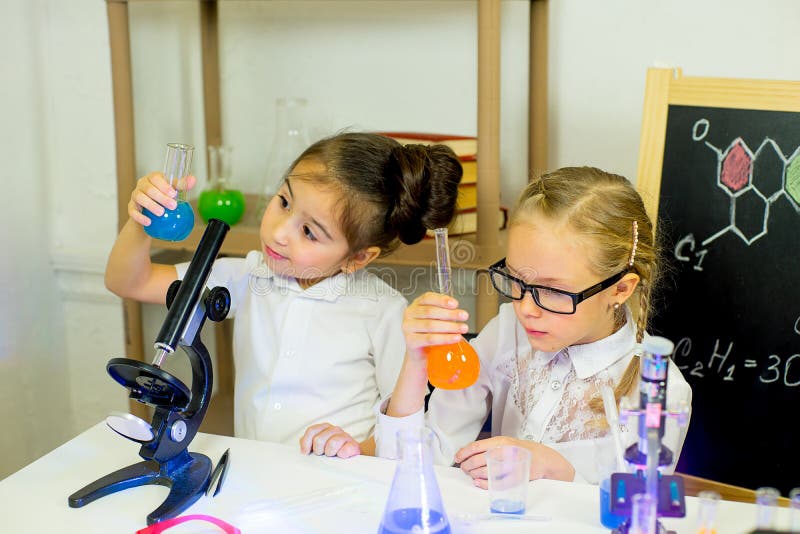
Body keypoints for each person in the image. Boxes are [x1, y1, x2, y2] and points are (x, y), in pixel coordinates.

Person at [105, 132, 463, 458]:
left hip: (340, 488)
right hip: (256, 479)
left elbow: (404, 434)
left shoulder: (383, 311)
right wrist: (141, 220)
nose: (278, 232)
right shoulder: (248, 275)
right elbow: (130, 282)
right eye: (284, 201)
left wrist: (357, 450)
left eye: (308, 231)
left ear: (357, 258)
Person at [371, 166, 692, 485]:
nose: (525, 308)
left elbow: (639, 511)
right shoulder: (507, 332)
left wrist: (556, 468)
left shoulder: (660, 394)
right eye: (515, 279)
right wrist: (416, 360)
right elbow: (407, 465)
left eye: (553, 290)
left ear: (620, 289)